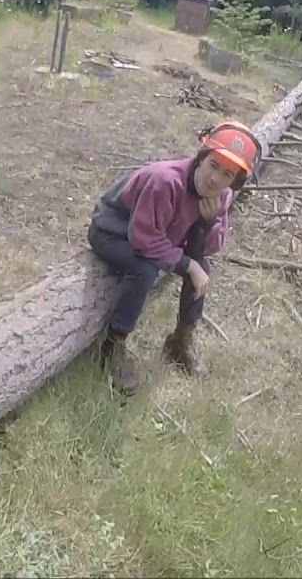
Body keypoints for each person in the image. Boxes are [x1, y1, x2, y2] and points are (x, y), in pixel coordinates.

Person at [87, 121, 262, 397]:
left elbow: (211, 247)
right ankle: (112, 344)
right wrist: (185, 264)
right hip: (114, 231)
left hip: (160, 234)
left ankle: (181, 340)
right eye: (213, 165)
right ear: (201, 158)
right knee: (145, 268)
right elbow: (143, 237)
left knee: (202, 268)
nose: (215, 179)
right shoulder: (165, 181)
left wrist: (206, 223)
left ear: (234, 181)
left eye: (227, 174)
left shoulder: (222, 196)